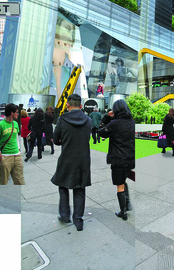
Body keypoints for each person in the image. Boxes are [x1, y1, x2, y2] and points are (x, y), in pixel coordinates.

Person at [51, 94, 93, 231]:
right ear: (81, 106)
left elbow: (55, 139)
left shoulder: (62, 119)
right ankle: (78, 220)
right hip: (83, 159)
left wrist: (63, 140)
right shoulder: (88, 120)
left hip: (67, 158)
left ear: (67, 105)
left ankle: (65, 215)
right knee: (79, 189)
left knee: (63, 186)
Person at [99, 99, 135, 220]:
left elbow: (101, 132)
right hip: (130, 158)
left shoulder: (114, 124)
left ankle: (123, 212)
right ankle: (127, 204)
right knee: (123, 181)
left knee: (120, 185)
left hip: (118, 159)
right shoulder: (132, 122)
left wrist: (106, 118)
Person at [0, 104, 24, 185]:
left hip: (17, 156)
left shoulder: (15, 124)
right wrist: (1, 157)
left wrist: (18, 150)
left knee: (20, 181)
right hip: (5, 157)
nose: (18, 114)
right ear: (12, 113)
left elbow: (16, 139)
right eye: (17, 112)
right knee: (3, 182)